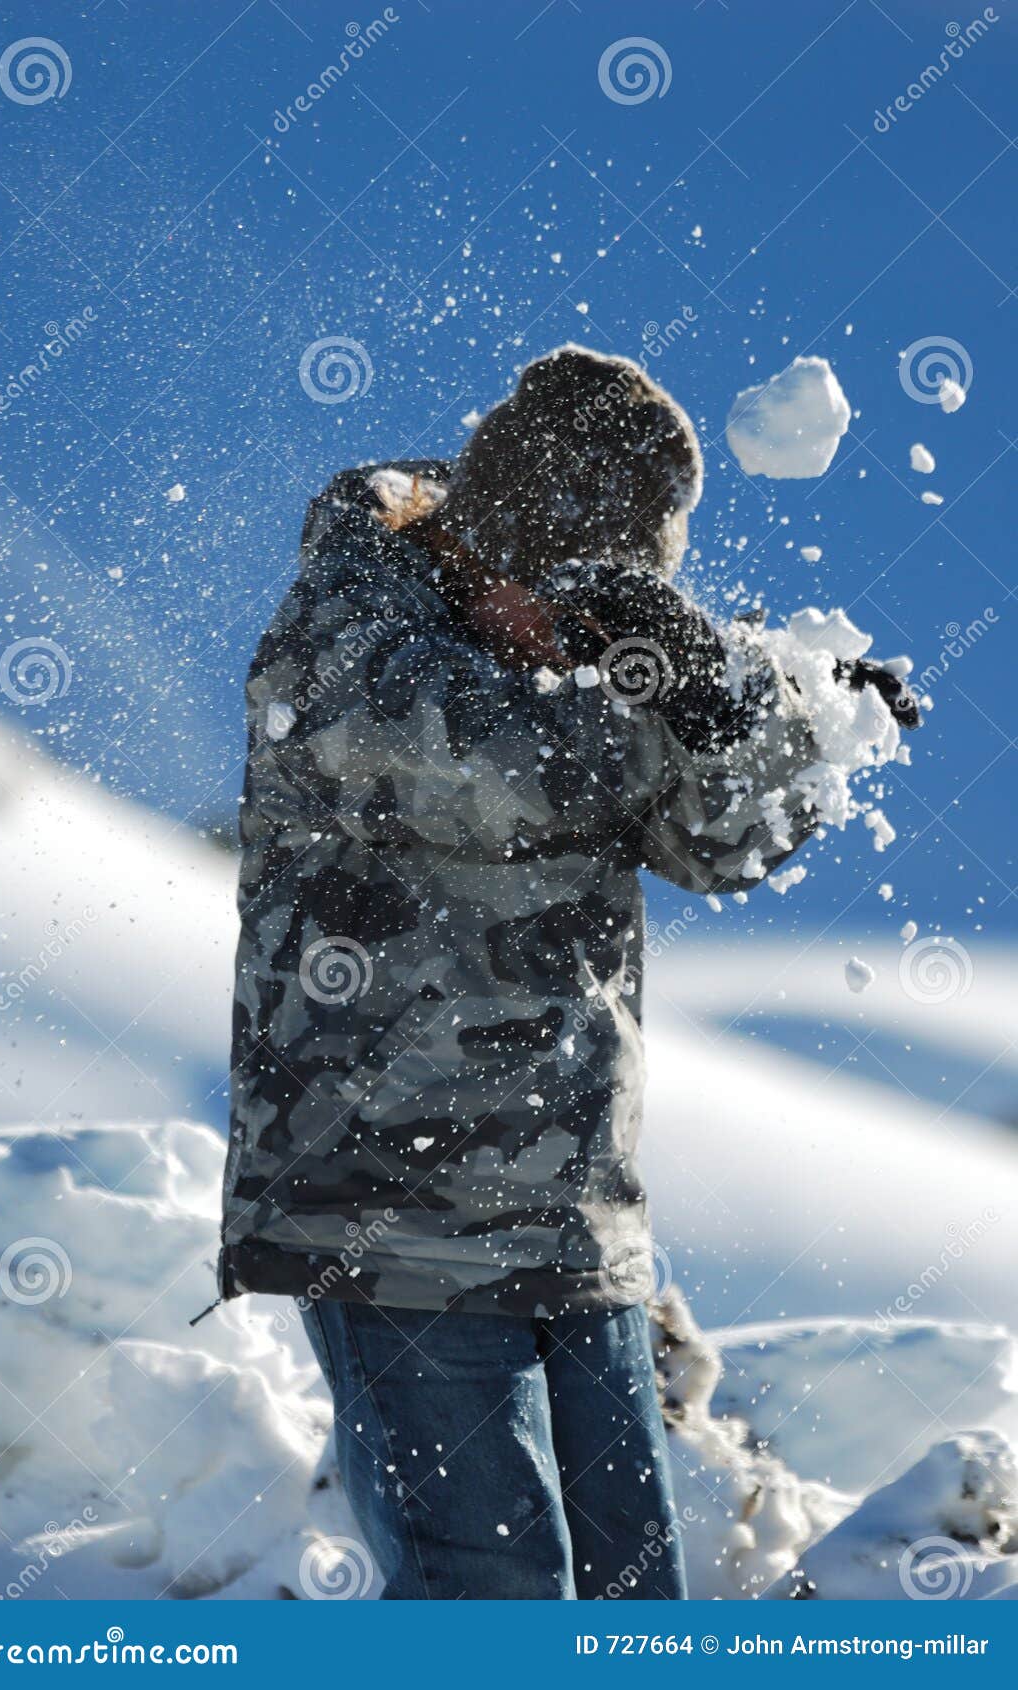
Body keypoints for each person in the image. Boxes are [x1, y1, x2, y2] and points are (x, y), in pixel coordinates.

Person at [213, 346, 919, 1600]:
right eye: (546, 591)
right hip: (390, 1219)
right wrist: (702, 689)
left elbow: (723, 842)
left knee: (630, 1614)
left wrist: (777, 724)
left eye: (590, 608)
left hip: (577, 1222)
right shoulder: (347, 623)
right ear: (476, 540)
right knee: (493, 1603)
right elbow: (488, 767)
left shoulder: (580, 664)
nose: (558, 632)